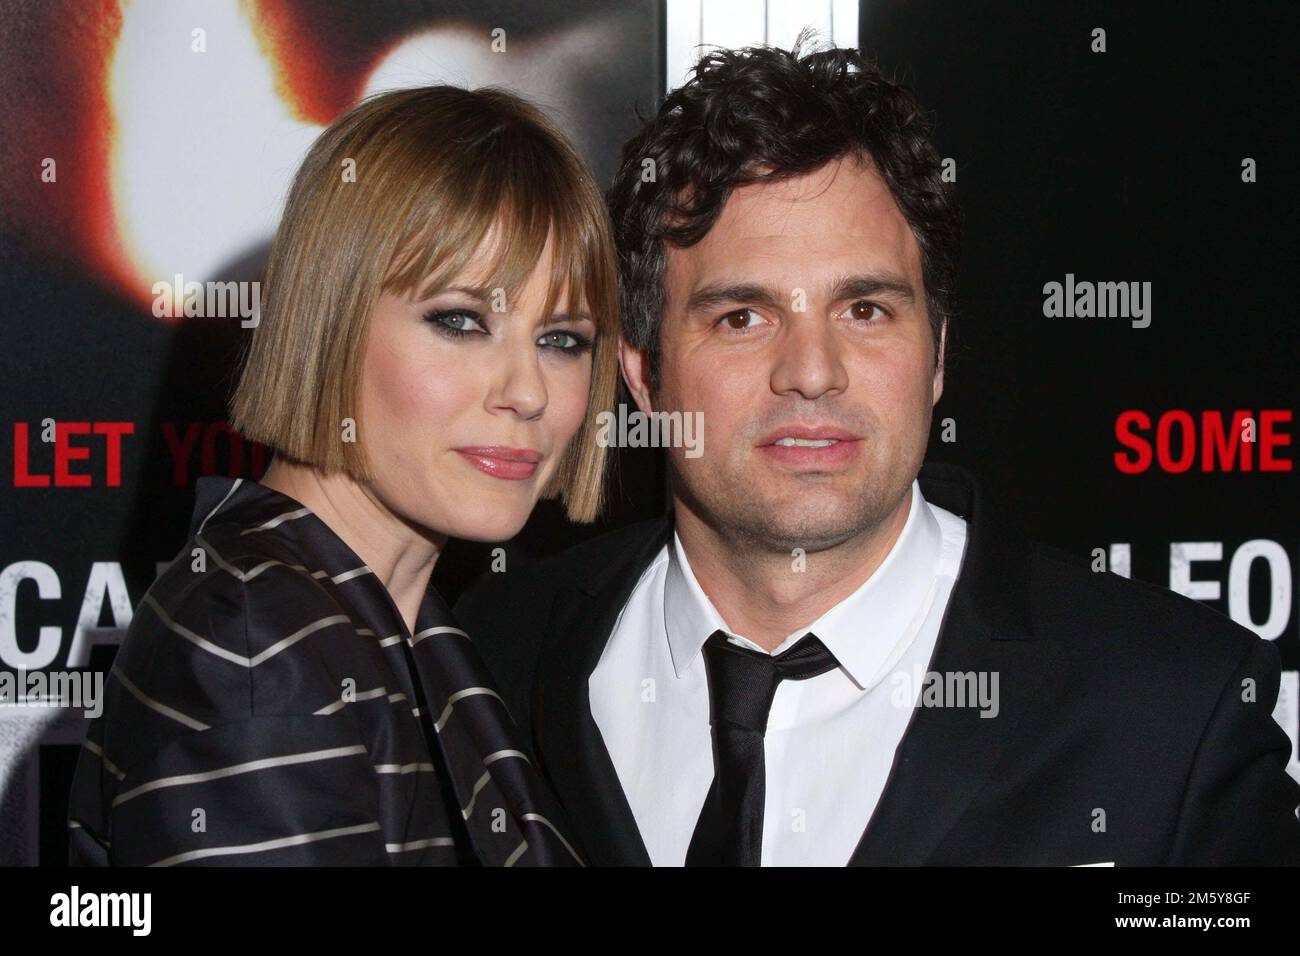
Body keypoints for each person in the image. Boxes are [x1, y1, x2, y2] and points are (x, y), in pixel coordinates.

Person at [455, 41, 1300, 865]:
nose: (812, 374)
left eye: (865, 309)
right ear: (643, 374)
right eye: (741, 317)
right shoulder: (486, 662)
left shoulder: (1174, 711)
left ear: (936, 356)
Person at [66, 84, 618, 866]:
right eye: (460, 322)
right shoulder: (258, 643)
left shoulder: (402, 619)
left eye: (563, 339)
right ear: (329, 321)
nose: (527, 391)